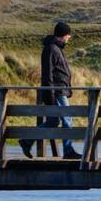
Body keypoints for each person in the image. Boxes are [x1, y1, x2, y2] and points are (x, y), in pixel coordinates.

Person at [22, 21, 81, 159]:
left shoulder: (56, 48)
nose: (69, 37)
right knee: (67, 119)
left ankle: (26, 141)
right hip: (57, 91)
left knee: (53, 121)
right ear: (63, 35)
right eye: (68, 35)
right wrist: (50, 95)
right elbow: (47, 74)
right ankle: (68, 151)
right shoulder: (51, 49)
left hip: (59, 90)